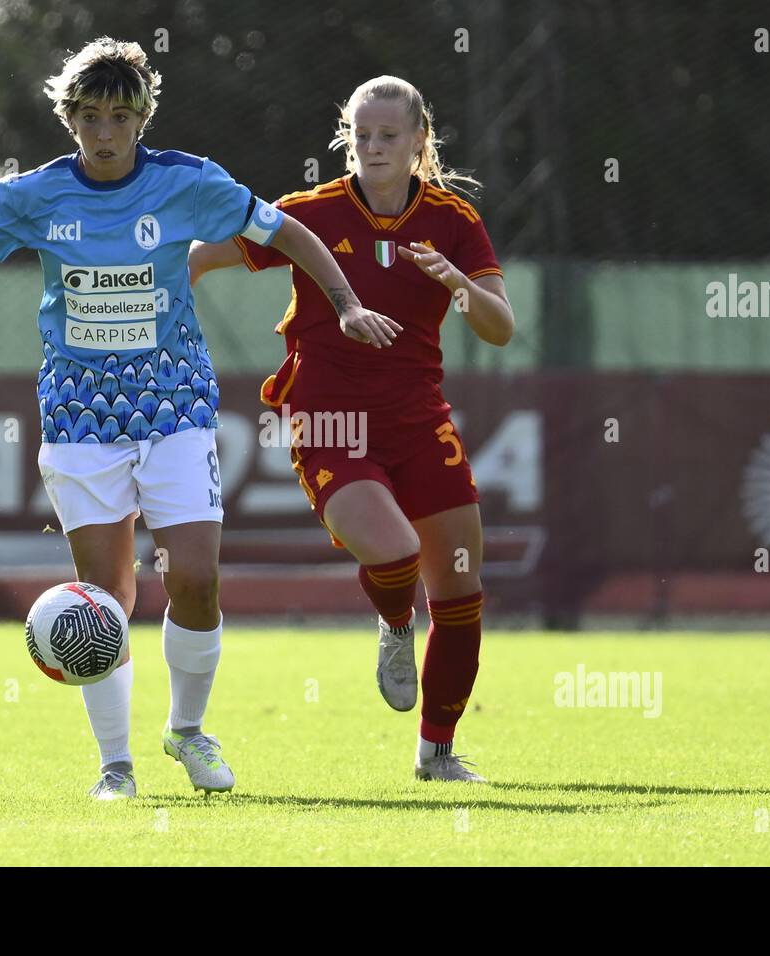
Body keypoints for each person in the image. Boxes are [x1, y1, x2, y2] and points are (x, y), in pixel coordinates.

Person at [0, 39, 400, 800]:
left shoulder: (188, 182)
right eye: (89, 116)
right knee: (103, 602)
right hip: (79, 418)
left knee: (198, 581)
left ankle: (188, 731)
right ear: (68, 119)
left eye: (120, 115)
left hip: (174, 406)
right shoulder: (31, 195)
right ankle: (115, 766)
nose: (105, 132)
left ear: (142, 117)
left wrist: (346, 304)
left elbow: (290, 233)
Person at [190, 75, 514, 783]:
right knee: (396, 554)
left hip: (417, 415)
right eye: (361, 135)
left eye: (388, 135)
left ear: (420, 141)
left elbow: (499, 329)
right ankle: (397, 625)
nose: (372, 147)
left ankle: (438, 752)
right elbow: (201, 257)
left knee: (459, 582)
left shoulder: (453, 220)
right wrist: (149, 293)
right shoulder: (311, 213)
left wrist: (459, 281)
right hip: (329, 416)